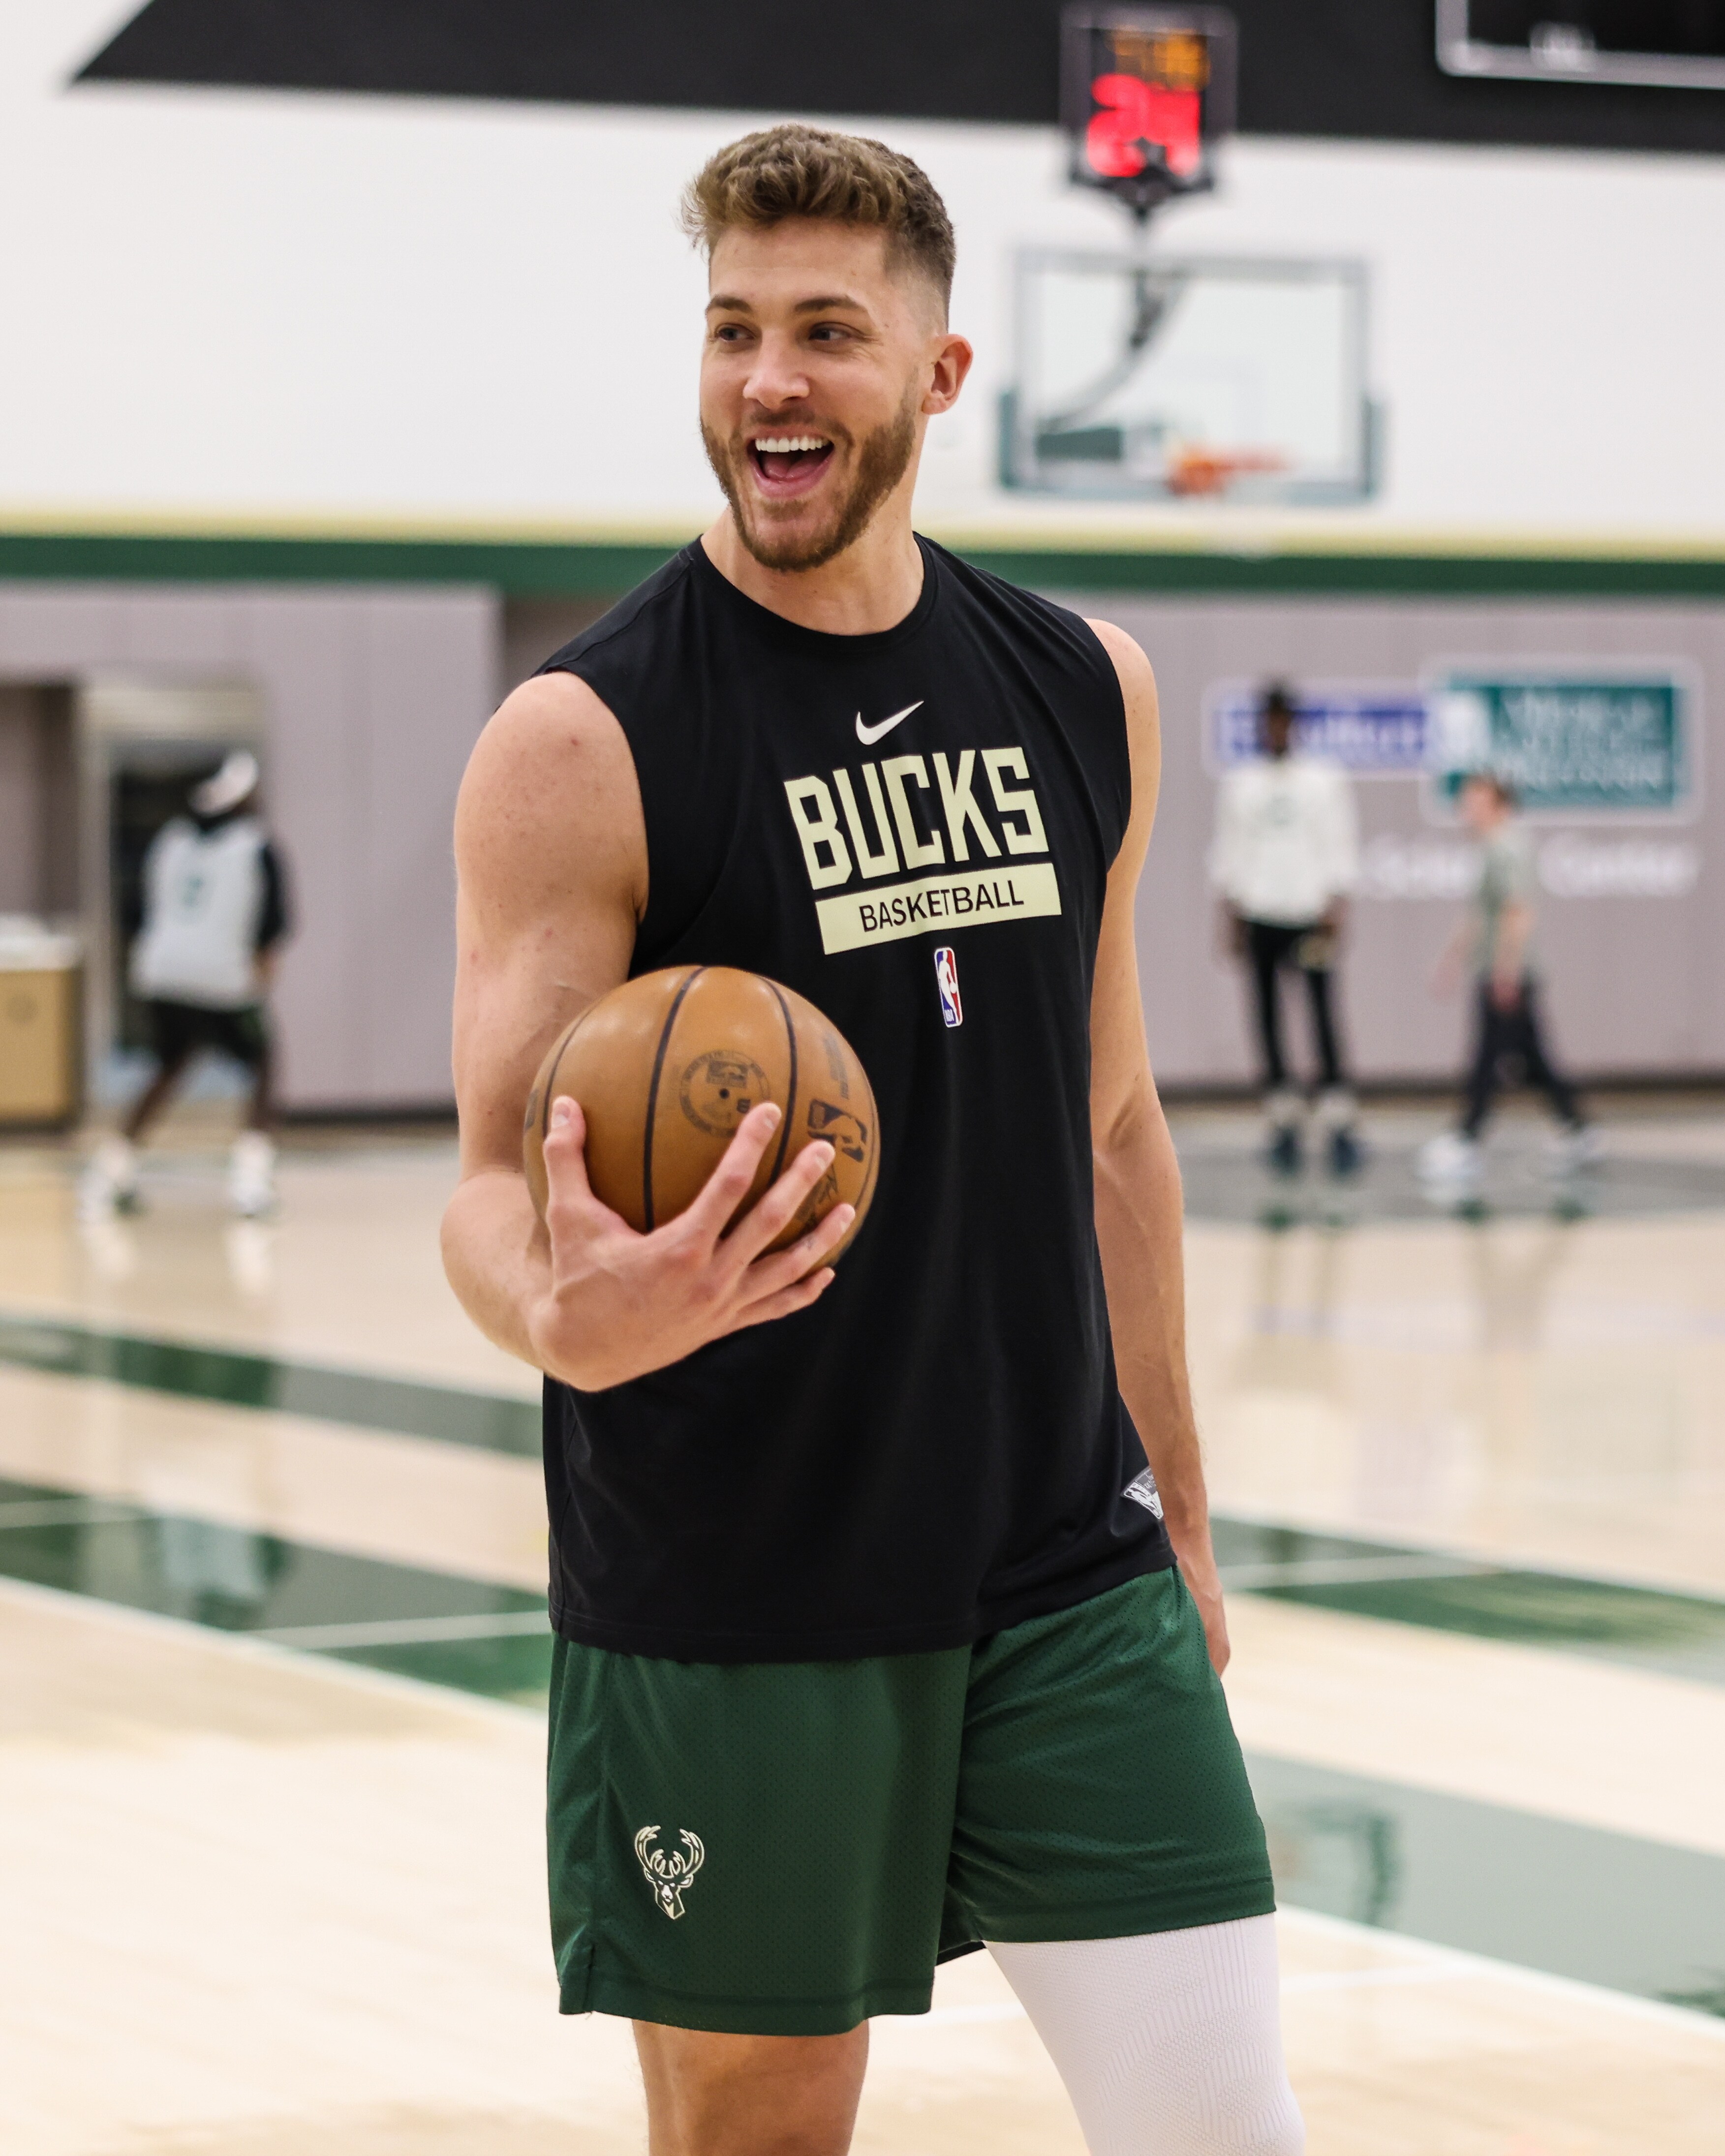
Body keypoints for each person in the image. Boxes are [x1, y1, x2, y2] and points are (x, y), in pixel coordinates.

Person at [442, 126, 1302, 2156]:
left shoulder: (1081, 685)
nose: (770, 378)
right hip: (742, 1585)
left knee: (1221, 2126)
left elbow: (1111, 1129)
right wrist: (561, 1316)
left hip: (1064, 1566)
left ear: (937, 371)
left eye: (828, 330)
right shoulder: (584, 738)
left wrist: (1181, 1507)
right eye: (733, 328)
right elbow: (485, 1184)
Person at [80, 750, 290, 1221]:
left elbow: (140, 909)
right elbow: (272, 927)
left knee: (168, 1066)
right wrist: (258, 982)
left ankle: (110, 1173)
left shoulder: (171, 840)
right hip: (222, 978)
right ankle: (251, 1183)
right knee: (265, 1066)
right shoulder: (256, 846)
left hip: (161, 972)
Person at [1209, 683, 1360, 1174]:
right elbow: (1230, 846)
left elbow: (1338, 840)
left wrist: (1336, 901)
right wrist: (1229, 912)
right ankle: (1282, 1116)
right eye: (1267, 722)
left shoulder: (1321, 780)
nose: (1275, 730)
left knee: (1321, 1012)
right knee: (1266, 1015)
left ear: (1293, 725)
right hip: (1259, 910)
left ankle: (1338, 1116)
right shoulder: (1242, 783)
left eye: (1282, 721)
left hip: (1308, 910)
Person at [1419, 771, 1597, 1186]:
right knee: (1532, 1057)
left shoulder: (1508, 848)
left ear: (1499, 805)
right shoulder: (1492, 849)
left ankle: (1468, 1137)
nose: (1467, 811)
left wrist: (1506, 970)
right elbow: (1479, 916)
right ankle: (1576, 1127)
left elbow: (1517, 911)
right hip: (1496, 969)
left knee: (1488, 1056)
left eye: (1476, 803)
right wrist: (1452, 960)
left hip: (1507, 973)